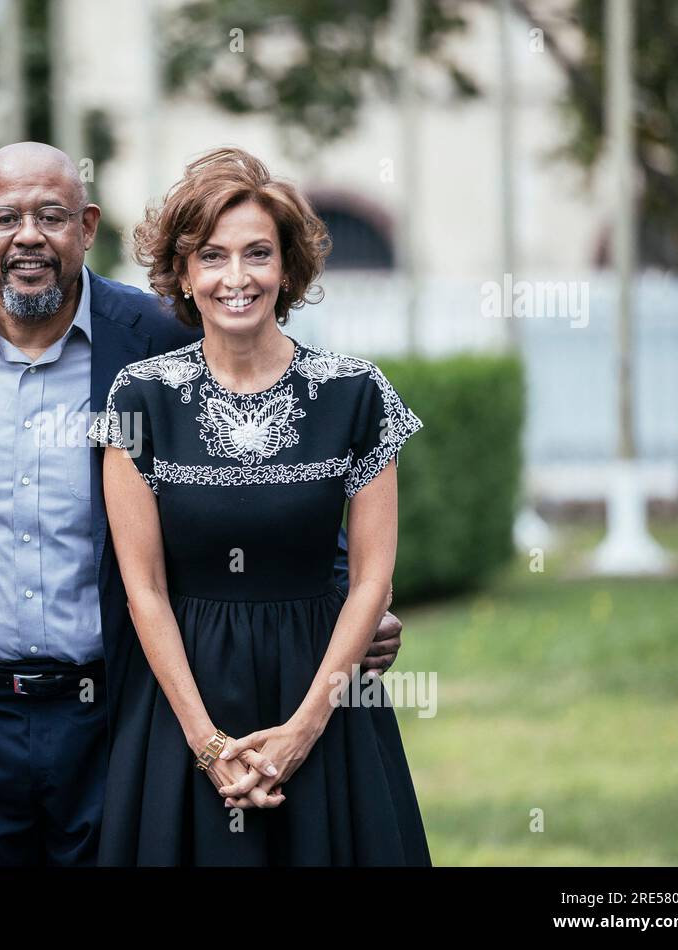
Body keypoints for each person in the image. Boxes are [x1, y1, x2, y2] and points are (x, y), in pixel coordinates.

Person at [0, 142, 407, 866]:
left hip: (115, 707)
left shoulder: (154, 341)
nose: (29, 235)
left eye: (52, 215)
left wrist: (347, 598)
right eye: (6, 218)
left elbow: (268, 472)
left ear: (87, 225)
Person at [91, 147, 432, 865]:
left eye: (257, 254)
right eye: (212, 256)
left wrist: (304, 729)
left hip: (325, 698)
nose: (236, 278)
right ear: (184, 273)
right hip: (183, 707)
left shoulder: (356, 393)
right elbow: (143, 587)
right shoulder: (138, 396)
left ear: (288, 269)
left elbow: (373, 581)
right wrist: (209, 743)